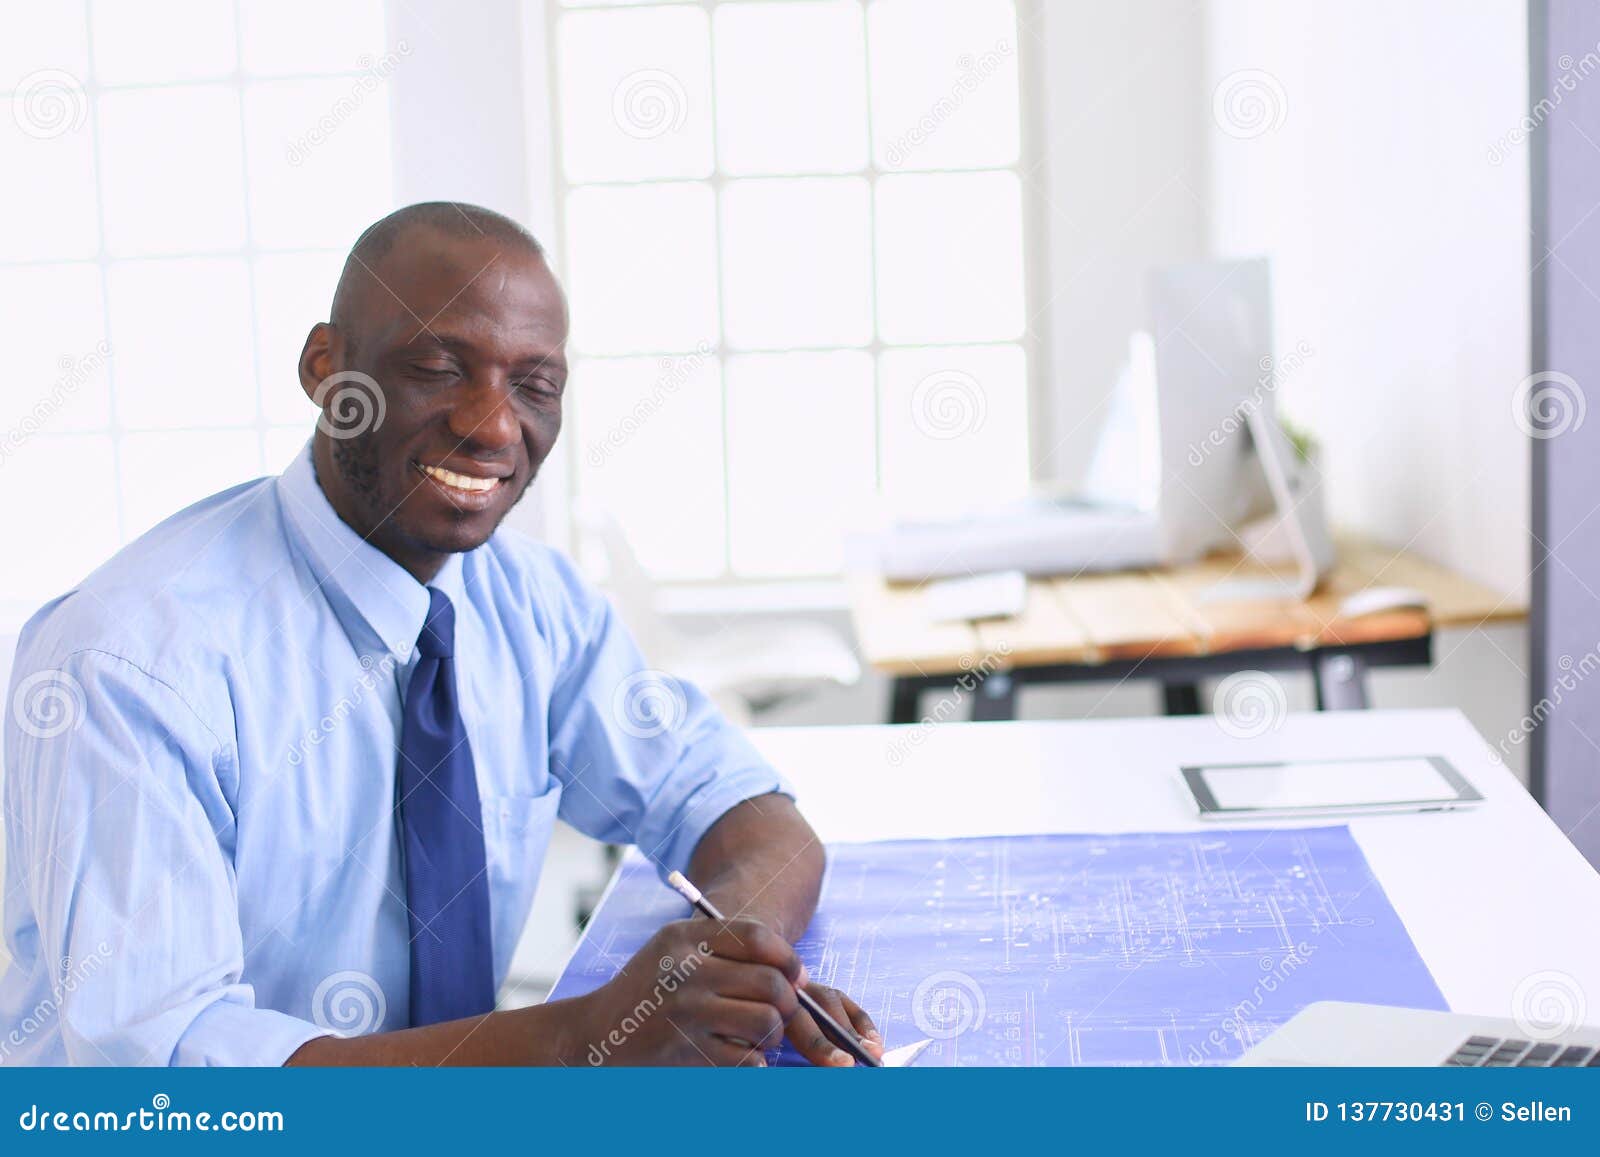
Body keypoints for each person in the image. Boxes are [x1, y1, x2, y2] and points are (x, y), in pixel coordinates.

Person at [0, 202, 880, 1067]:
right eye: (436, 366)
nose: (493, 425)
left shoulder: (532, 601)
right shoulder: (127, 667)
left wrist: (736, 966)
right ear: (325, 368)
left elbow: (740, 805)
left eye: (534, 386)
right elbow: (166, 1077)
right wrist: (584, 1039)